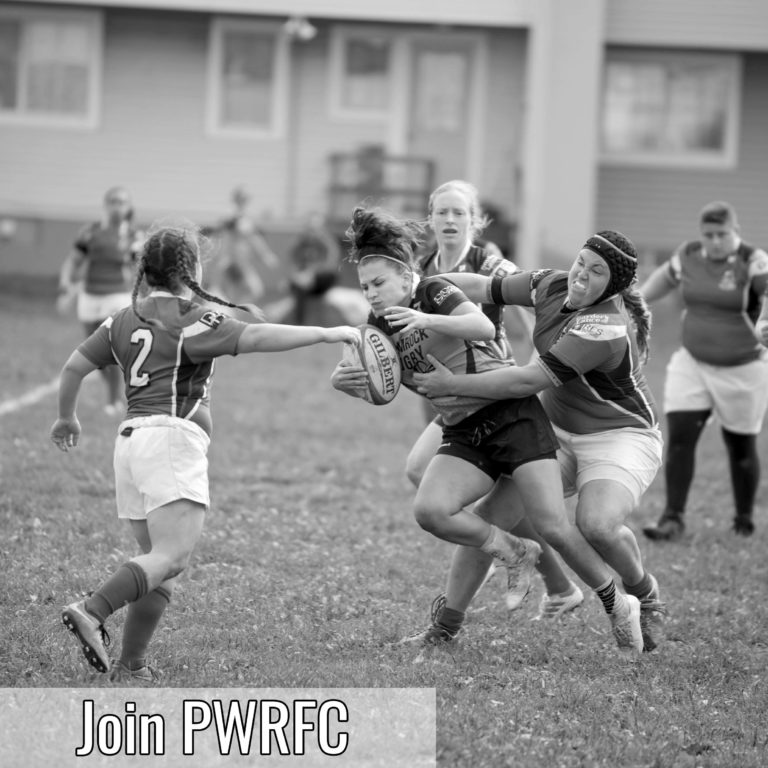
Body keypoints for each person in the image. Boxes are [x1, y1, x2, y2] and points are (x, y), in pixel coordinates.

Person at [51, 225, 359, 681]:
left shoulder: (121, 318)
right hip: (171, 442)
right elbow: (257, 337)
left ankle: (132, 664)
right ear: (191, 269)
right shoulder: (191, 318)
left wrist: (67, 417)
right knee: (171, 555)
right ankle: (92, 609)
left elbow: (76, 365)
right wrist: (327, 332)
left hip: (130, 446)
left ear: (144, 270)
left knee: (159, 567)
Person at [331, 208, 645, 653]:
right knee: (431, 510)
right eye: (365, 287)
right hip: (464, 430)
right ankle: (512, 555)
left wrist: (427, 320)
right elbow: (378, 381)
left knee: (553, 526)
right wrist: (346, 382)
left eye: (379, 284)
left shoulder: (435, 293)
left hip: (512, 416)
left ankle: (617, 603)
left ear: (405, 276)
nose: (372, 294)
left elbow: (480, 323)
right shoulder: (378, 328)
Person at [414, 230, 665, 652]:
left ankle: (644, 594)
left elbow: (528, 380)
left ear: (616, 286)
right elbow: (483, 286)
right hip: (556, 427)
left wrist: (452, 382)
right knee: (492, 516)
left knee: (596, 524)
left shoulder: (606, 326)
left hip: (620, 435)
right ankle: (446, 628)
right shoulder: (551, 282)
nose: (581, 275)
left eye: (596, 271)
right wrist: (427, 289)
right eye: (581, 262)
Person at [409, 180, 583, 620]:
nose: (449, 220)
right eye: (441, 212)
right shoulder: (421, 267)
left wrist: (530, 377)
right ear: (429, 217)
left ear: (475, 219)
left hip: (494, 394)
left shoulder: (490, 263)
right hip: (449, 390)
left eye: (459, 213)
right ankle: (546, 577)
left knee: (436, 478)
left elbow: (539, 319)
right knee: (424, 474)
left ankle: (505, 553)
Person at [641, 202, 768, 540]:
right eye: (708, 235)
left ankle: (743, 518)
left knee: (740, 445)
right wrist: (636, 301)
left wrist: (765, 322)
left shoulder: (752, 260)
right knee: (681, 438)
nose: (714, 242)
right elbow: (664, 279)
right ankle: (672, 518)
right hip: (693, 362)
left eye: (722, 235)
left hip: (744, 368)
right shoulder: (689, 254)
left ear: (735, 232)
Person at [57, 186, 144, 415]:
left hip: (117, 294)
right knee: (95, 351)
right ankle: (114, 390)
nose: (117, 206)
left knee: (113, 345)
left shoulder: (134, 236)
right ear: (106, 205)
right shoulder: (90, 232)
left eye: (122, 202)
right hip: (90, 295)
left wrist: (144, 294)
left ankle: (113, 400)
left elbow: (140, 268)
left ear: (128, 207)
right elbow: (74, 261)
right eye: (114, 201)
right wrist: (67, 282)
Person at [205, 185, 280, 305]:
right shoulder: (231, 215)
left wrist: (266, 254)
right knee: (221, 292)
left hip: (242, 262)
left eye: (245, 199)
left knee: (254, 291)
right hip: (229, 261)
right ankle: (226, 314)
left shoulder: (245, 217)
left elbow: (254, 237)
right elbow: (227, 230)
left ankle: (233, 313)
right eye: (241, 198)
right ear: (236, 199)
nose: (243, 201)